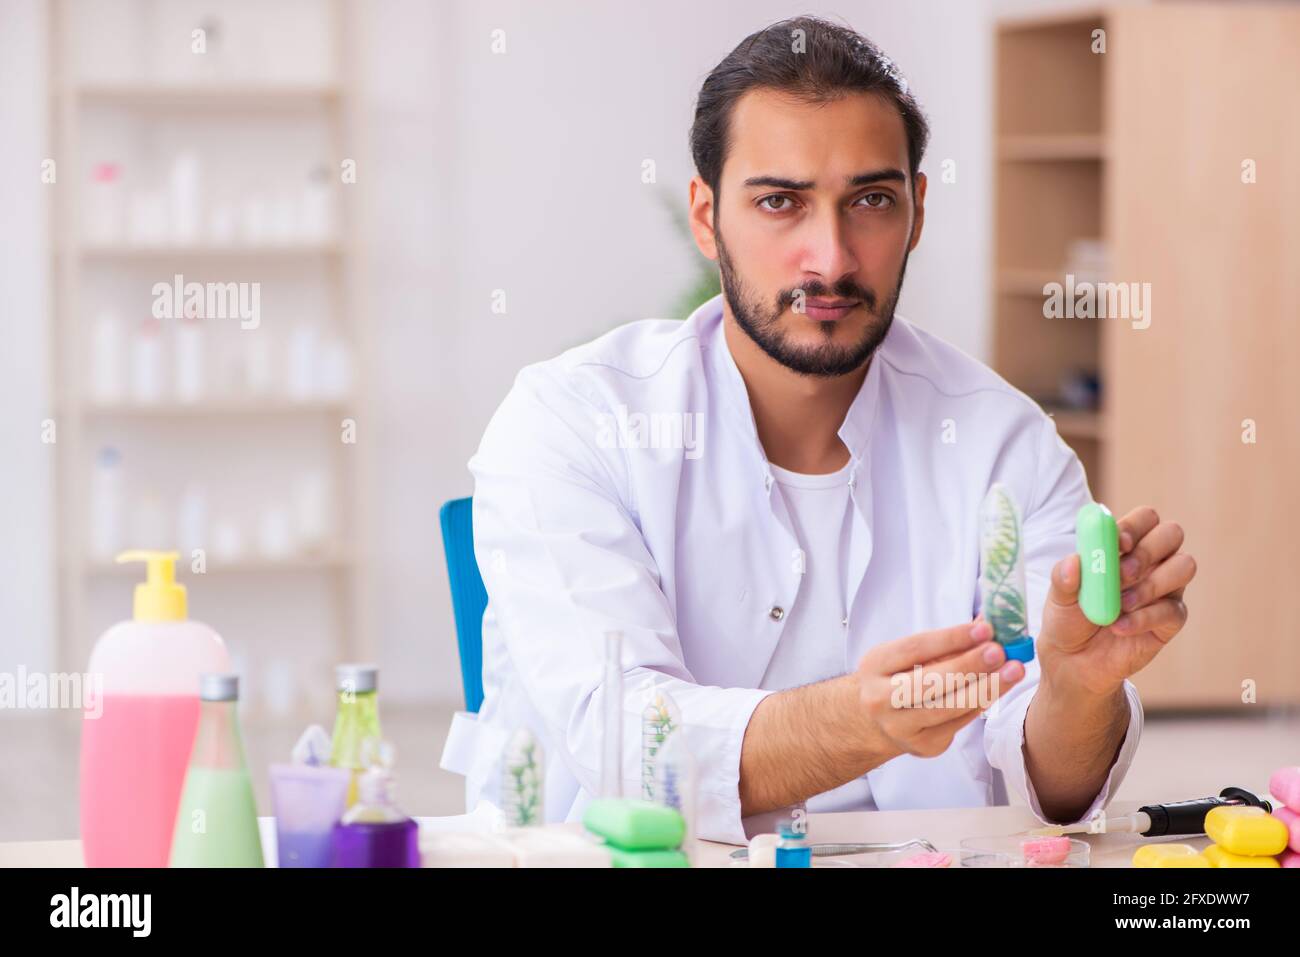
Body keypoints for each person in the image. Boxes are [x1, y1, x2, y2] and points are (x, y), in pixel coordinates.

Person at [440, 15, 1196, 844]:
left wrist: (1075, 692)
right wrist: (867, 719)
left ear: (916, 212)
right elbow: (626, 737)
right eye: (779, 202)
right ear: (706, 217)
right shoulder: (573, 421)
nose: (829, 259)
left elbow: (1051, 785)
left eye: (870, 200)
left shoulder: (1003, 442)